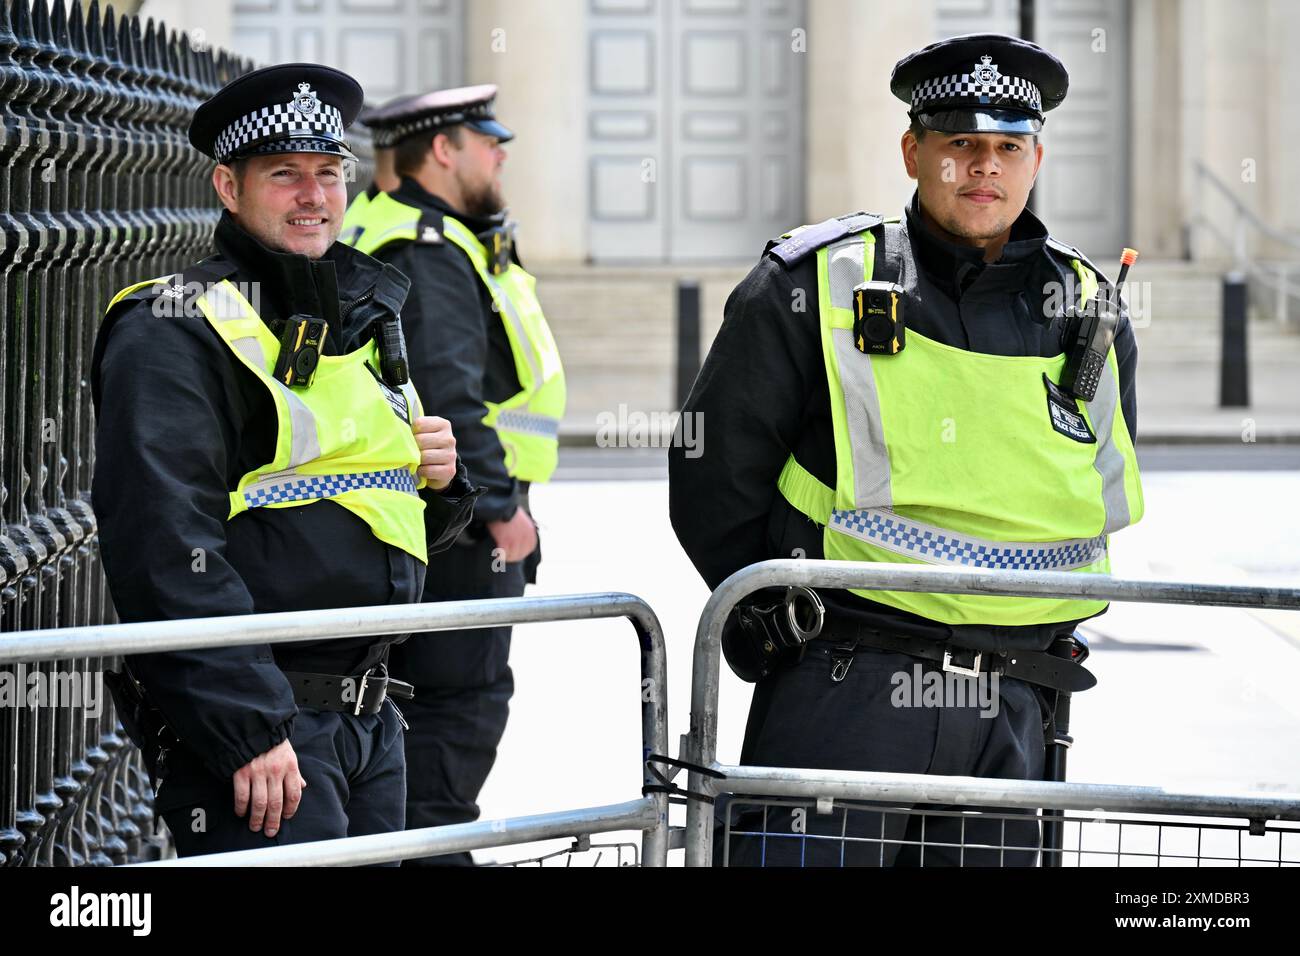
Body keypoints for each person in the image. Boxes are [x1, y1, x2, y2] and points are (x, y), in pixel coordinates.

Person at [668, 33, 1144, 867]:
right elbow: (713, 467)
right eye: (960, 144)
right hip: (847, 683)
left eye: (1007, 147)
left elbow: (1091, 481)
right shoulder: (811, 282)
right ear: (913, 150)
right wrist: (770, 618)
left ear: (1037, 158)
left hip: (1016, 702)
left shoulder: (1085, 307)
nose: (983, 168)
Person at [90, 63, 481, 859]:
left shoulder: (358, 316)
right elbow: (165, 544)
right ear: (228, 189)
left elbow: (365, 513)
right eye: (285, 175)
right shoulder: (172, 329)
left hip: (369, 717)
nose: (314, 195)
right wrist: (249, 726)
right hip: (271, 725)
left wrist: (442, 485)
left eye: (329, 173)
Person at [340, 85, 566, 865]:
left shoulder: (390, 224)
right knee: (459, 700)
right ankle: (432, 852)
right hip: (462, 521)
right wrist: (502, 508)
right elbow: (446, 397)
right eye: (486, 141)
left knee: (409, 700)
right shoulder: (429, 250)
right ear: (443, 150)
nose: (500, 154)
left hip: (420, 512)